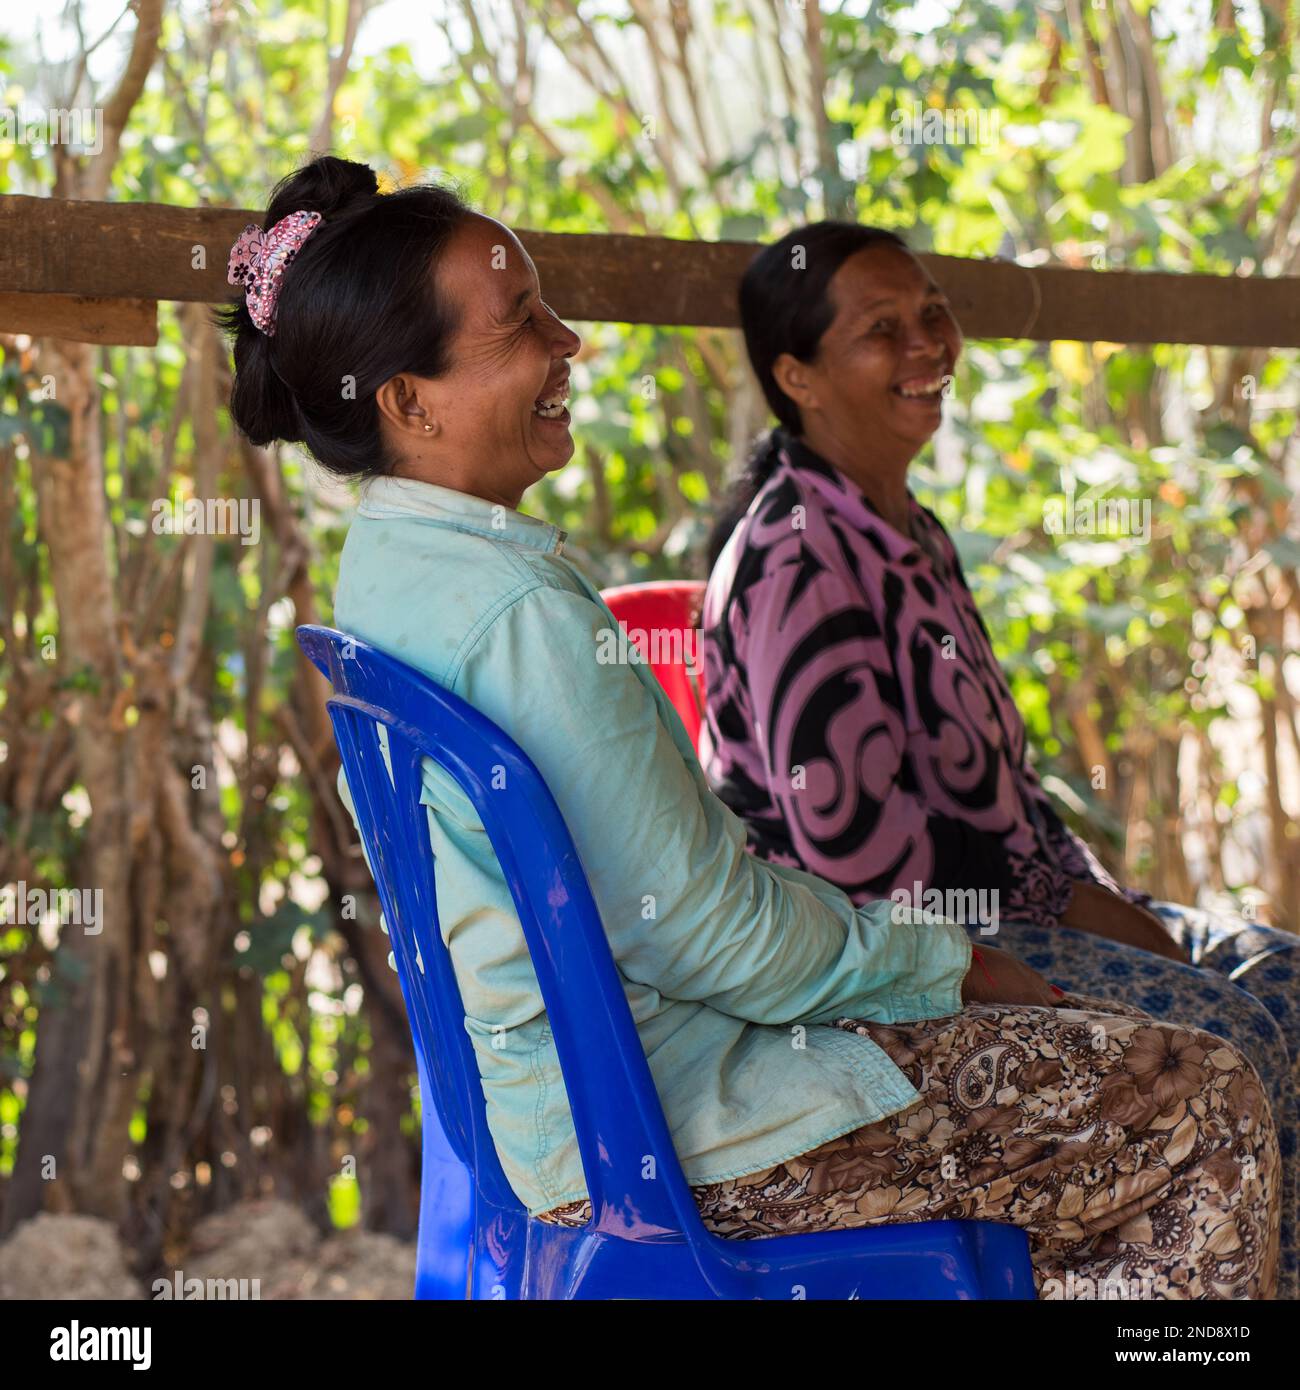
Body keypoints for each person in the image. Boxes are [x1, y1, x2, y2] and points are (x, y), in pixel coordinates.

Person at [219, 158, 1281, 1298]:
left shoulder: (391, 567)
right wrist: (951, 961)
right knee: (1203, 1090)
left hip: (579, 1104)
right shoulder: (529, 615)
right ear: (409, 402)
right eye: (522, 319)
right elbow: (712, 937)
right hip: (683, 1126)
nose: (567, 340)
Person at [699, 220, 1297, 1295]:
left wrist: (1095, 897)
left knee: (1285, 976)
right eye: (881, 329)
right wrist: (1076, 910)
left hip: (1013, 903)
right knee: (1229, 1031)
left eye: (933, 311)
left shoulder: (904, 528)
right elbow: (865, 870)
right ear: (798, 375)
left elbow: (1002, 794)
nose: (928, 342)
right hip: (885, 966)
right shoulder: (798, 559)